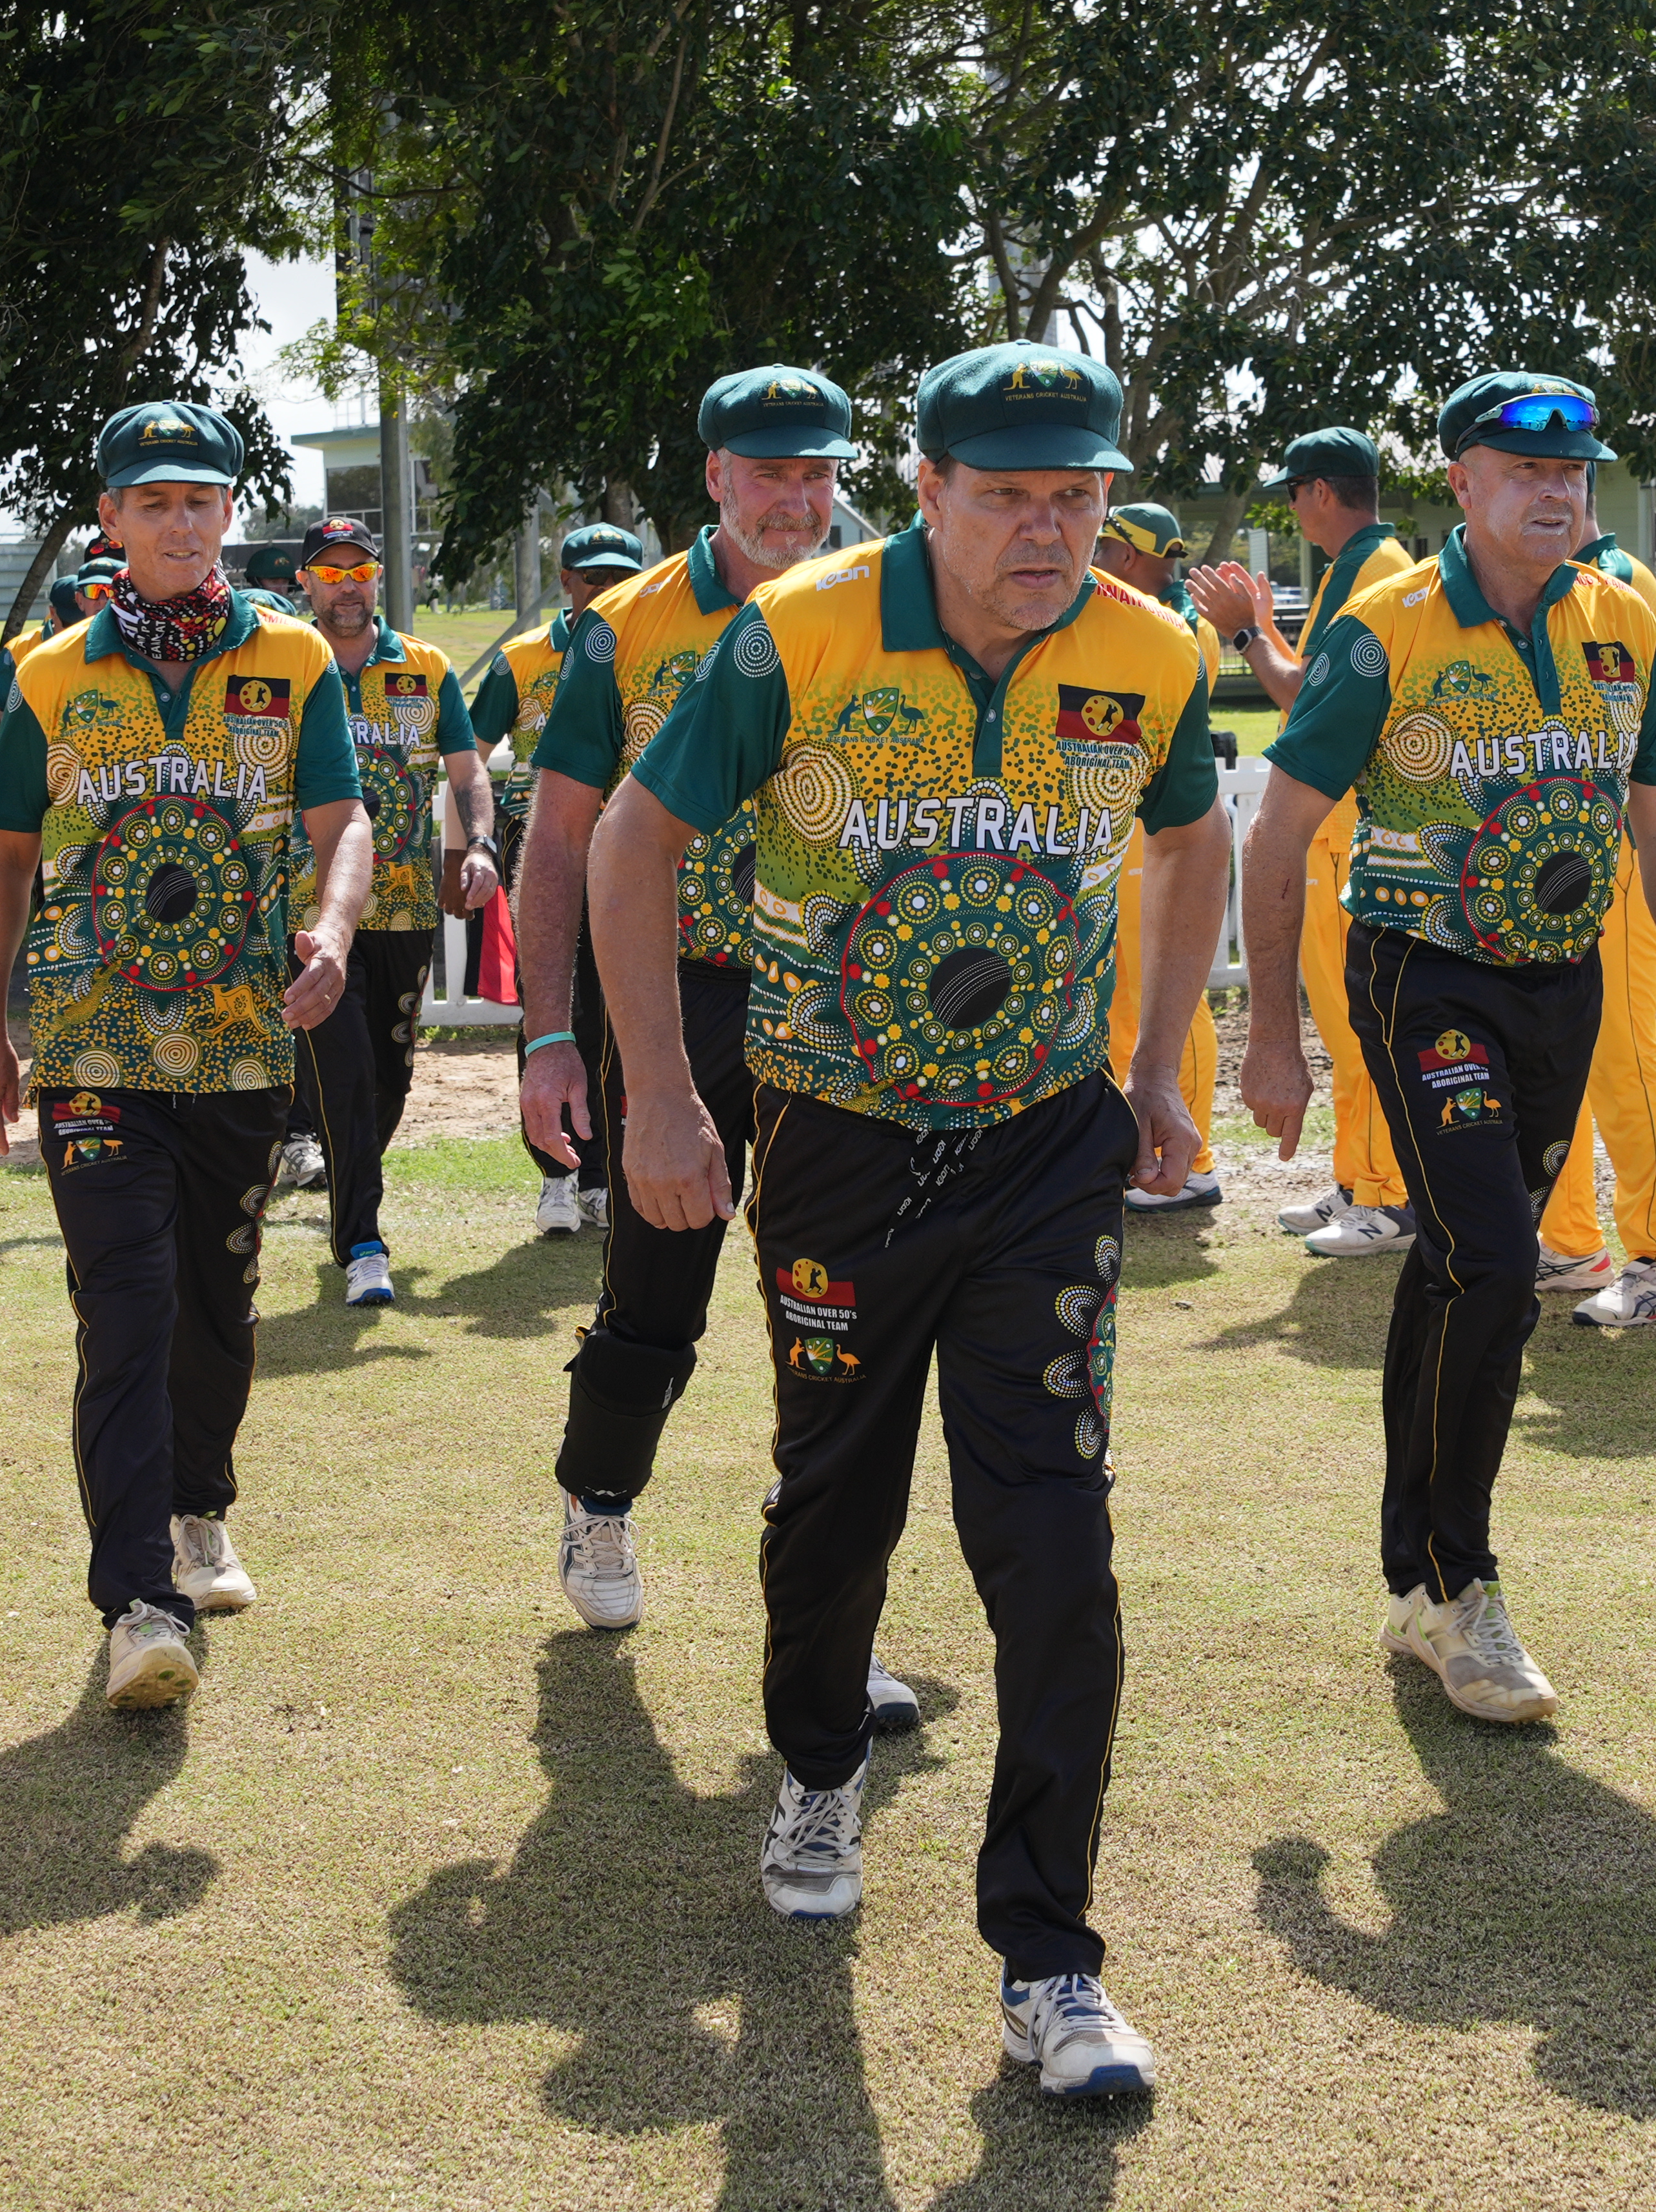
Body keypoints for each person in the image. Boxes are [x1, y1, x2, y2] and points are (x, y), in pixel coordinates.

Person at [599, 337, 1222, 2096]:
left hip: (1045, 1150)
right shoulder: (799, 633)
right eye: (1008, 495)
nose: (1049, 529)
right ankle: (817, 1769)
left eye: (1075, 495)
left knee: (1055, 1538)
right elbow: (635, 845)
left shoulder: (1150, 653)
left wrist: (1158, 1064)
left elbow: (1192, 844)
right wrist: (660, 1096)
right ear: (929, 490)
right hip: (838, 1141)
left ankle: (1050, 1958)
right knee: (838, 1499)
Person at [1237, 371, 1656, 1728]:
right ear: (1460, 483)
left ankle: (1410, 1574)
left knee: (1465, 1262)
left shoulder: (1622, 621)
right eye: (1524, 471)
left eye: (1573, 472)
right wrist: (1273, 1037)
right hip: (1425, 975)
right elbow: (1278, 836)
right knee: (1502, 1265)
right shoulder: (1382, 631)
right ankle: (1460, 1584)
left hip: (1561, 986)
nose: (1555, 491)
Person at [0, 401, 372, 1706]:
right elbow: (5, 859)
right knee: (126, 1306)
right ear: (111, 519)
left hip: (245, 1046)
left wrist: (335, 926)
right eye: (153, 502)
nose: (180, 522)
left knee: (217, 1309)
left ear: (229, 513)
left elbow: (344, 820)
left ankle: (201, 1512)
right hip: (92, 1045)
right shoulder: (48, 672)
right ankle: (140, 1600)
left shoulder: (294, 656)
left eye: (200, 499)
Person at [514, 369, 856, 1633]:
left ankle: (827, 1573)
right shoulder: (624, 629)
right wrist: (552, 1036)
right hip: (681, 1000)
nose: (796, 499)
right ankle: (600, 1498)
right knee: (658, 1285)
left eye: (817, 473)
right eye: (769, 473)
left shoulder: (882, 609)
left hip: (846, 1005)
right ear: (715, 476)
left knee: (842, 1295)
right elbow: (559, 838)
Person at [1190, 430, 1419, 1257]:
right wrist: (1258, 629)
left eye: (1292, 494)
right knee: (1347, 1021)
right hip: (1343, 827)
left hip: (1354, 829)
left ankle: (1389, 1196)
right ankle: (1360, 1180)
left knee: (1366, 1027)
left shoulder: (1371, 570)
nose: (1291, 510)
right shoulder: (1362, 565)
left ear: (1321, 491)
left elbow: (1299, 702)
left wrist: (1245, 635)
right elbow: (1315, 690)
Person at [1525, 538, 1656, 1331]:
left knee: (1622, 1056)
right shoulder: (1537, 582)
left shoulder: (1613, 583)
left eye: (1559, 478)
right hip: (1556, 861)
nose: (1544, 492)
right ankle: (1571, 1241)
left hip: (1611, 855)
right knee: (1559, 1056)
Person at [291, 514, 495, 1307]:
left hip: (407, 910)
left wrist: (479, 846)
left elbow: (467, 771)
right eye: (330, 572)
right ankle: (363, 1245)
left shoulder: (425, 666)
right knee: (344, 1074)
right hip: (312, 920)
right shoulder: (289, 664)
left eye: (360, 571)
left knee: (389, 1079)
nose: (347, 586)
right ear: (306, 582)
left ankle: (351, 1188)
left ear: (379, 577)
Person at [465, 521, 647, 1236]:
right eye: (592, 578)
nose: (605, 591)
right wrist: (476, 843)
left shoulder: (655, 650)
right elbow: (470, 755)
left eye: (620, 578)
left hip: (629, 852)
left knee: (616, 1014)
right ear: (566, 582)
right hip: (543, 852)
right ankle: (556, 1178)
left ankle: (600, 1176)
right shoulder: (520, 660)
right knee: (549, 1013)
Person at [1093, 504, 1224, 1215]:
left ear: (1133, 558)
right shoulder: (1141, 619)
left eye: (1106, 546)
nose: (1096, 556)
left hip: (1160, 827)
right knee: (1126, 994)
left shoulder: (1178, 628)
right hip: (1128, 829)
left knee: (1165, 993)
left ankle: (1194, 1162)